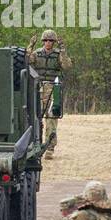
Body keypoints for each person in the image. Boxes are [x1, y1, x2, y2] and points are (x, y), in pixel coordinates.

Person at [26, 28, 72, 159]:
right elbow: (26, 61)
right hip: (38, 87)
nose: (47, 43)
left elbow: (67, 66)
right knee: (35, 118)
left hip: (53, 87)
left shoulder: (58, 54)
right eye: (45, 40)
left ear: (54, 42)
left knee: (51, 118)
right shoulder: (36, 53)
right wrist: (30, 46)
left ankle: (50, 147)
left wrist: (63, 50)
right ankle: (36, 145)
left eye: (50, 40)